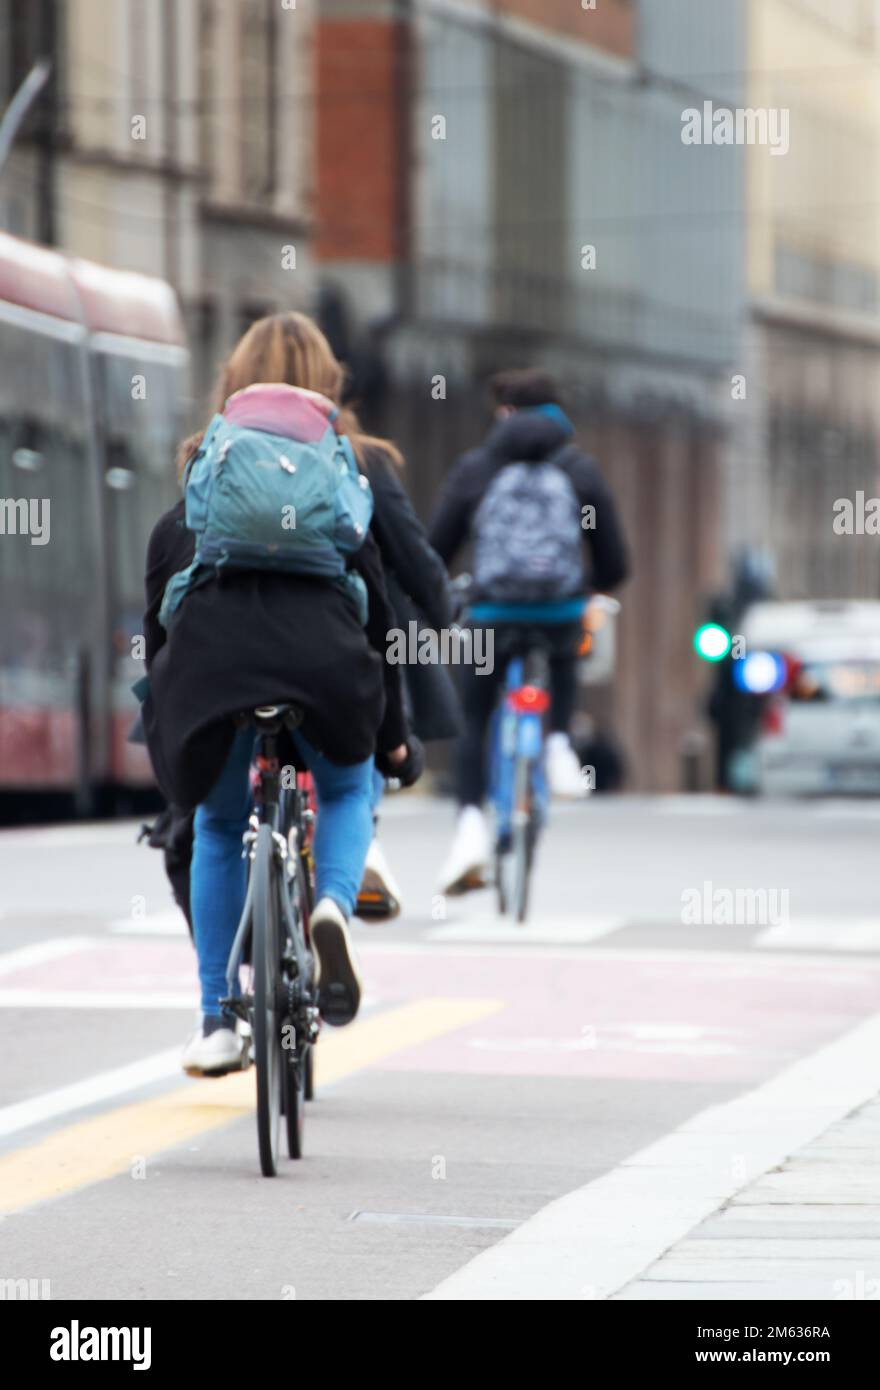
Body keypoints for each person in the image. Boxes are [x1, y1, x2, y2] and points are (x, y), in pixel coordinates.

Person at [141, 312, 422, 1077]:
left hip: (214, 678)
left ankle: (214, 1022)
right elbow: (379, 623)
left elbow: (158, 633)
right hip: (324, 671)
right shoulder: (340, 491)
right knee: (345, 785)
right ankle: (331, 901)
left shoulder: (194, 499)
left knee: (218, 819)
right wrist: (392, 738)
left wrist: (168, 729)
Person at [428, 367, 629, 895]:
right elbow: (615, 560)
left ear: (503, 415)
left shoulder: (477, 469)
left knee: (474, 715)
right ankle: (560, 745)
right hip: (559, 614)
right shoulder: (581, 470)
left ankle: (470, 826)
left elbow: (437, 548)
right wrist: (587, 587)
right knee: (564, 646)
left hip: (492, 615)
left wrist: (445, 593)